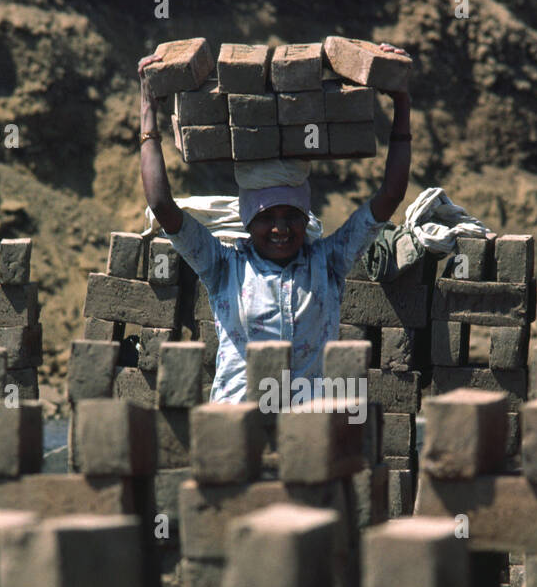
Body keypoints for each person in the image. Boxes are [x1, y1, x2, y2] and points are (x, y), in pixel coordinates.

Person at [137, 44, 412, 403]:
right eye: (266, 217)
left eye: (291, 216)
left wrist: (401, 101)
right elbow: (161, 204)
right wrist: (147, 109)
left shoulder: (327, 262)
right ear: (248, 221)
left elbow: (390, 195)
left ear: (305, 217)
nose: (280, 228)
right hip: (236, 425)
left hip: (308, 429)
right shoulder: (223, 266)